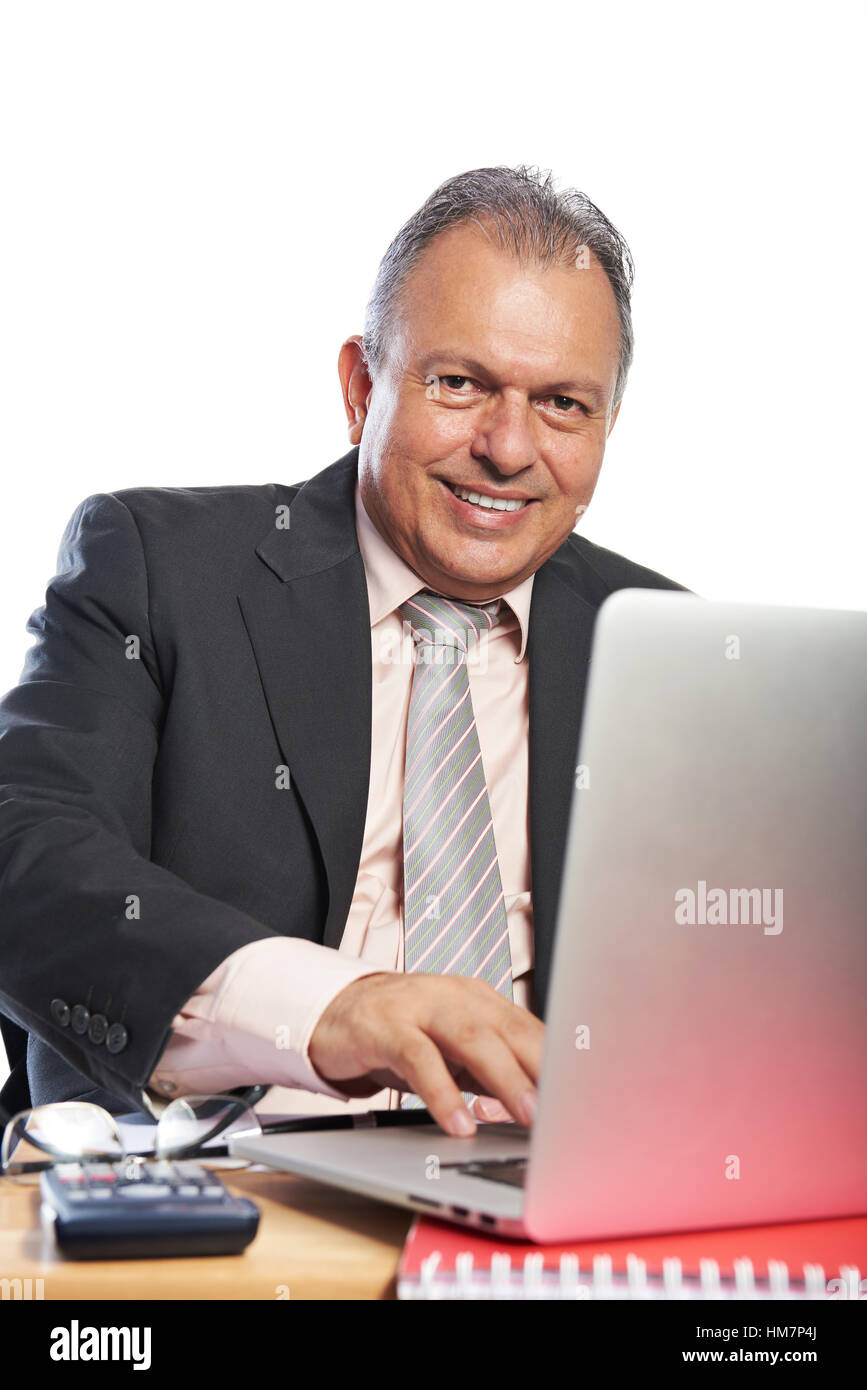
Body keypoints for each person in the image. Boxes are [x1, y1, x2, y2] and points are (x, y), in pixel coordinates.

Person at [0, 165, 684, 1138]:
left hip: (555, 1199)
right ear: (363, 387)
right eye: (460, 383)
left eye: (563, 404)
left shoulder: (662, 641)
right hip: (226, 1186)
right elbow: (24, 853)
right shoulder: (158, 570)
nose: (508, 446)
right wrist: (332, 1006)